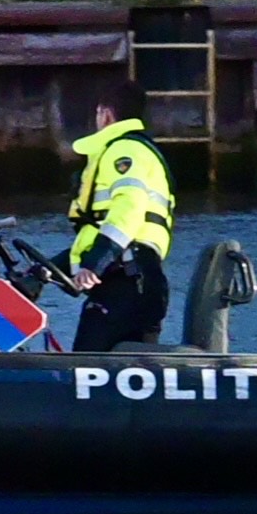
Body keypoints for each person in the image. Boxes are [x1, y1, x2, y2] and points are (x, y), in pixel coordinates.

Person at [63, 83, 175, 351]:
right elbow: (101, 230)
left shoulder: (124, 151)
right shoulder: (139, 150)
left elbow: (129, 209)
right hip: (137, 281)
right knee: (122, 376)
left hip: (126, 283)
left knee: (86, 371)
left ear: (106, 115)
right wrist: (46, 271)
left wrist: (95, 263)